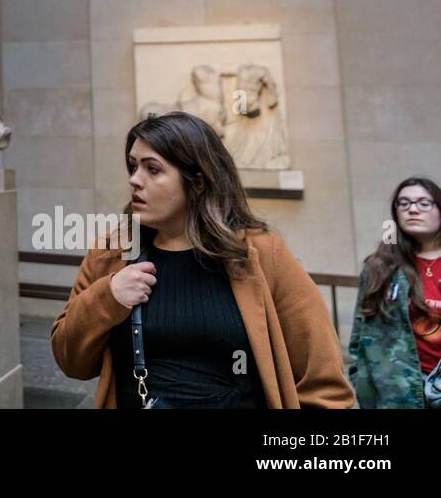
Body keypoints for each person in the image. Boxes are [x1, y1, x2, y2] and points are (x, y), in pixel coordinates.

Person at [51, 111, 354, 408]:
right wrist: (107, 297)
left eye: (152, 169)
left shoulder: (260, 253)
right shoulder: (112, 252)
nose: (135, 180)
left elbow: (324, 383)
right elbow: (71, 362)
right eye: (133, 166)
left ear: (198, 182)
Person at [347, 176, 441, 408]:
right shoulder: (380, 266)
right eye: (404, 203)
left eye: (423, 203)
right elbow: (360, 333)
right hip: (396, 391)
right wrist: (361, 381)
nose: (412, 210)